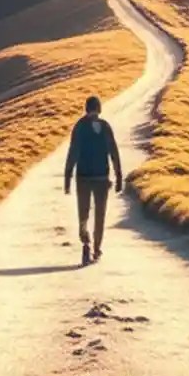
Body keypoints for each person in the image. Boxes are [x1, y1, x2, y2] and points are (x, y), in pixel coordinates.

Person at [63, 95, 123, 265]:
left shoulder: (80, 127)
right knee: (100, 214)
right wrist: (118, 176)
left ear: (86, 109)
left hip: (82, 178)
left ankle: (86, 241)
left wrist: (67, 178)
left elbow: (73, 153)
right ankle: (96, 248)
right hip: (102, 178)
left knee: (83, 213)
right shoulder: (105, 127)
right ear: (99, 109)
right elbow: (114, 152)